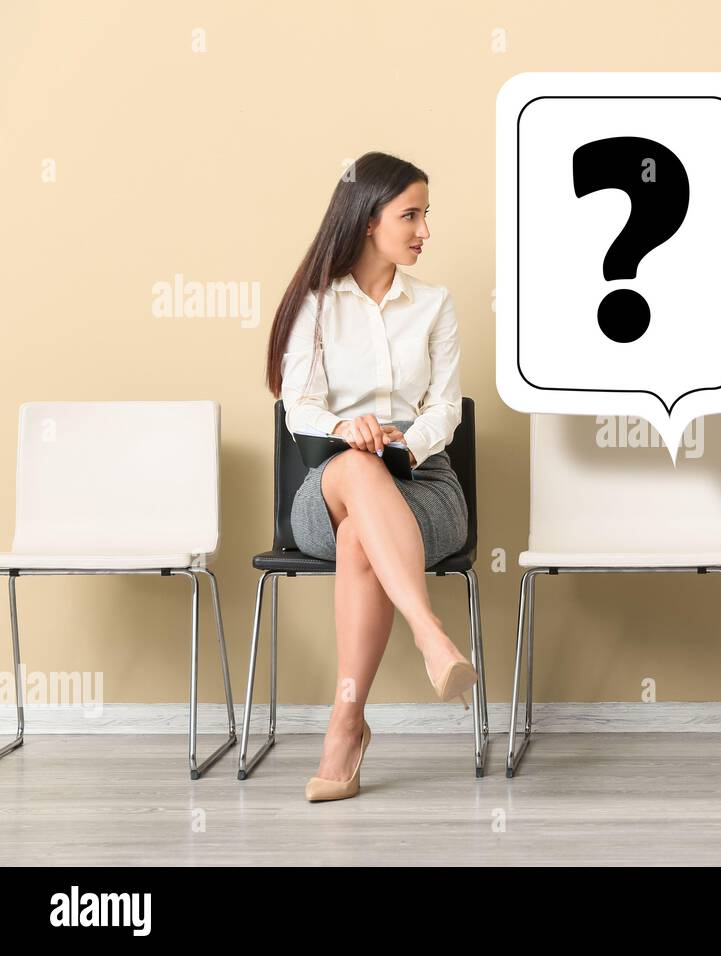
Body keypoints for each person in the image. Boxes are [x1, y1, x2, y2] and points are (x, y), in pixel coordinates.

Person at [264, 151, 478, 802]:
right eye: (410, 215)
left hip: (423, 488)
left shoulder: (435, 305)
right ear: (366, 220)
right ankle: (430, 633)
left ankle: (346, 725)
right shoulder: (316, 305)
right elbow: (297, 404)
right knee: (357, 474)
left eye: (426, 215)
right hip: (327, 489)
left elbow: (445, 407)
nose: (424, 230)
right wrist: (347, 429)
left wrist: (406, 445)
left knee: (365, 534)